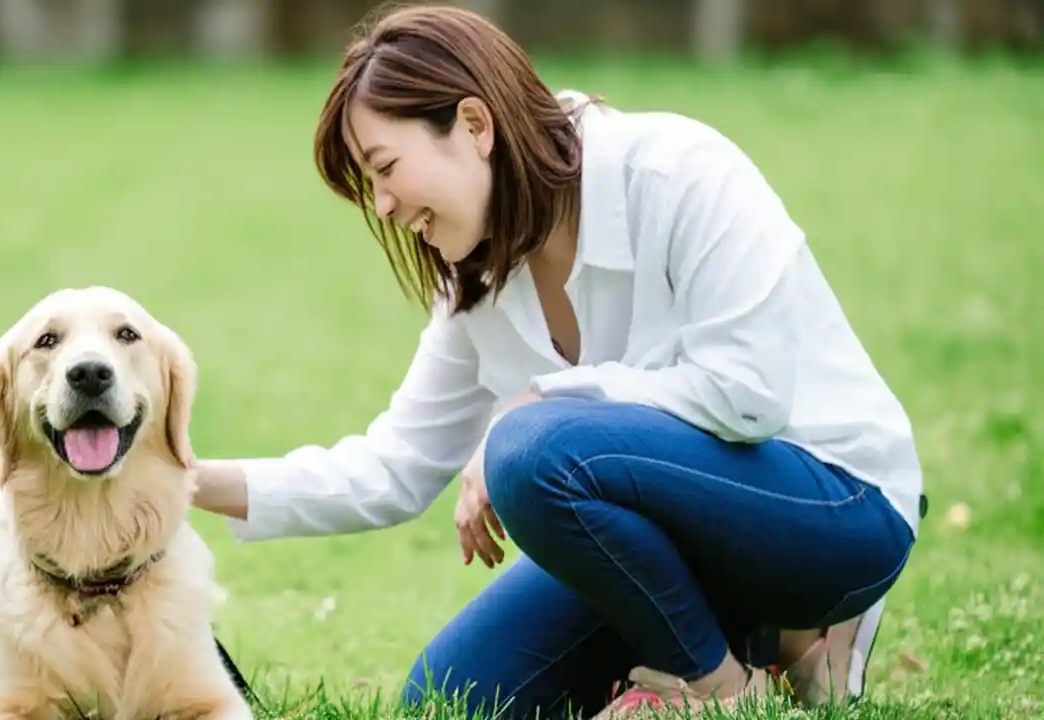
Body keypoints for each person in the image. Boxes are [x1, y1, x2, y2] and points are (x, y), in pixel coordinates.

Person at [191, 5, 923, 718]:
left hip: (837, 509)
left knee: (529, 449)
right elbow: (394, 466)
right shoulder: (478, 277)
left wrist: (542, 399)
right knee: (453, 701)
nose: (381, 207)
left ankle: (723, 685)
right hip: (684, 542)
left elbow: (749, 393)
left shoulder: (676, 172)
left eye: (385, 169)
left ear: (474, 125)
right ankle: (766, 646)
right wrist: (179, 479)